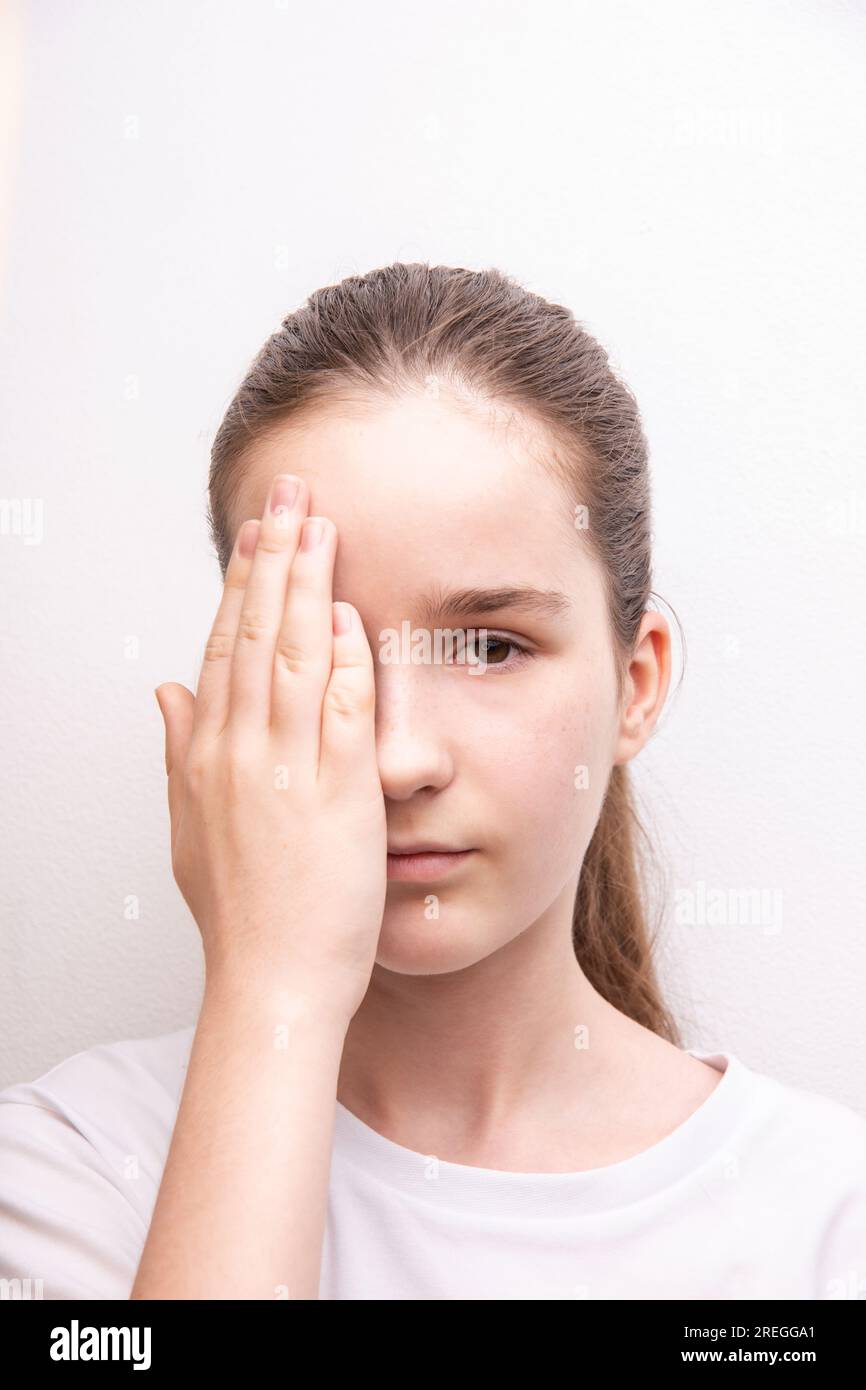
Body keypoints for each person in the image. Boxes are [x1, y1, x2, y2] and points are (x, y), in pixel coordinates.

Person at [1, 262, 864, 1301]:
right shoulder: (76, 1167)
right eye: (327, 652)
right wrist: (272, 988)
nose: (398, 756)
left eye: (490, 647)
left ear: (635, 684)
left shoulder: (824, 1221)